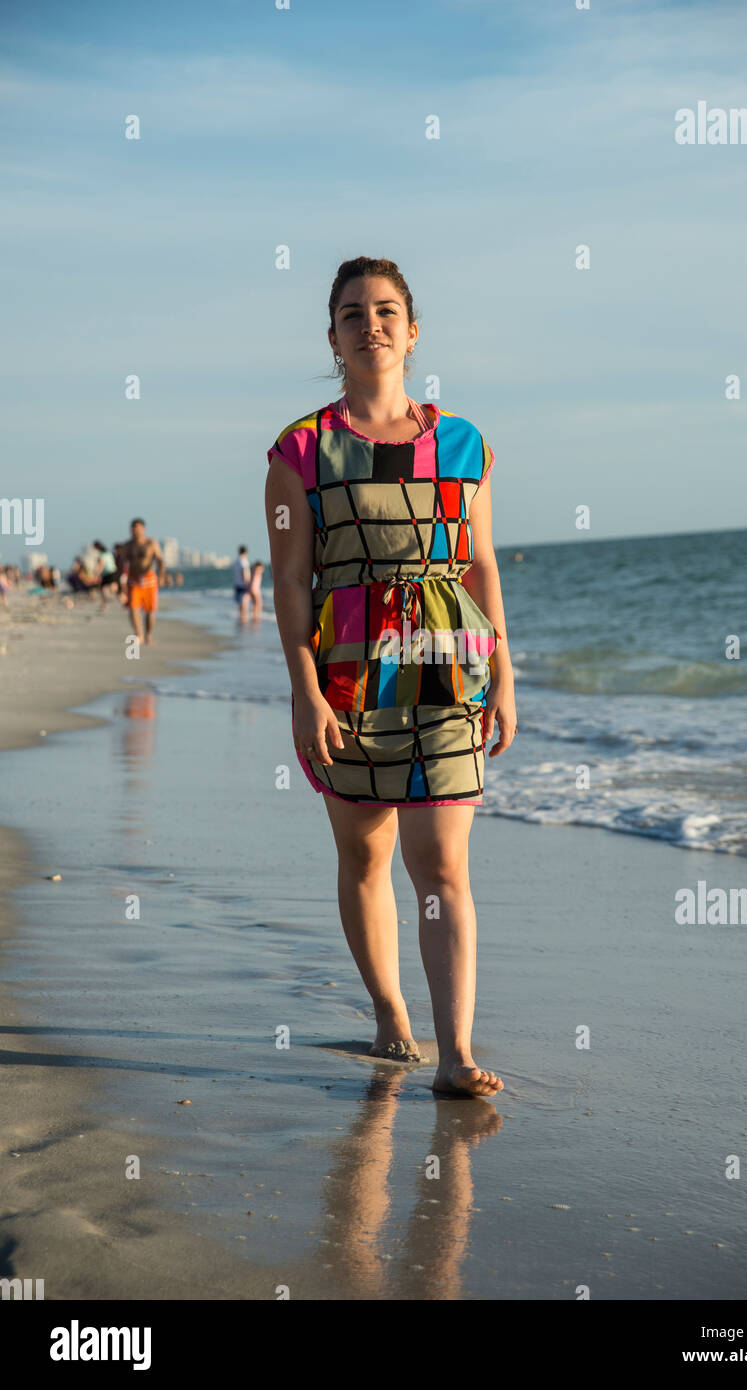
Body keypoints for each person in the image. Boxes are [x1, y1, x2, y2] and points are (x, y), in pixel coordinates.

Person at [266, 256, 517, 1099]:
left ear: (412, 331)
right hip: (346, 675)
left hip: (450, 670)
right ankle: (388, 1014)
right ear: (332, 338)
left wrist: (505, 678)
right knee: (366, 852)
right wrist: (304, 691)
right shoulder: (301, 451)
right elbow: (293, 587)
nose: (368, 324)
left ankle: (454, 1053)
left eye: (384, 311)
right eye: (350, 313)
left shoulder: (463, 443)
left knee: (443, 864)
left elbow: (480, 567)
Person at [120, 519, 165, 645]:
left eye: (137, 527)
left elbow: (160, 561)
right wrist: (120, 584)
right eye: (132, 528)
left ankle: (148, 634)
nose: (134, 530)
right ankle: (139, 634)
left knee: (150, 611)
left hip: (149, 579)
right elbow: (120, 565)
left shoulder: (151, 543)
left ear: (143, 529)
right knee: (133, 607)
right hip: (133, 580)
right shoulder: (127, 546)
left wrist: (161, 576)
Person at [93, 540, 118, 609]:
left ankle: (106, 602)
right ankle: (106, 603)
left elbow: (101, 565)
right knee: (111, 588)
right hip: (113, 571)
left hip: (108, 572)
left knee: (105, 588)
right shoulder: (108, 553)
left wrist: (97, 574)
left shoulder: (101, 554)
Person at [233, 545, 251, 620]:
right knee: (244, 605)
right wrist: (247, 585)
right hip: (243, 585)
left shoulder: (237, 560)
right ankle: (243, 620)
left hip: (237, 584)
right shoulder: (243, 560)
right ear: (245, 552)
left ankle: (241, 619)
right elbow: (244, 572)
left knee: (240, 605)